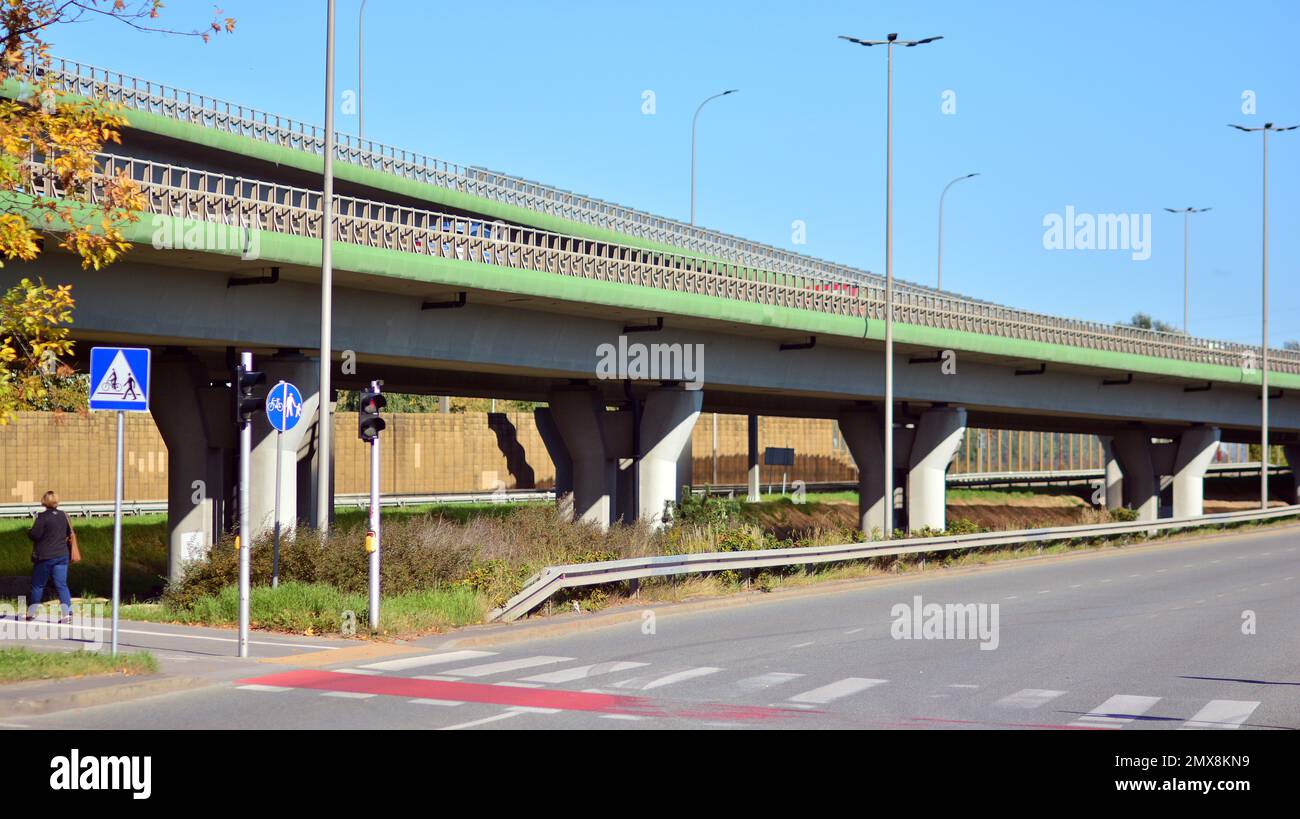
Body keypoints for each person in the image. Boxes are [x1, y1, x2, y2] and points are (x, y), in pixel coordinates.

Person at [27, 490, 76, 623]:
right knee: (61, 584)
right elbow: (67, 533)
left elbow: (35, 535)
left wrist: (28, 532)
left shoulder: (42, 517)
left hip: (45, 556)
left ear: (44, 501)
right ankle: (67, 614)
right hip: (62, 555)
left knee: (38, 585)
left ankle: (31, 613)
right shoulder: (63, 515)